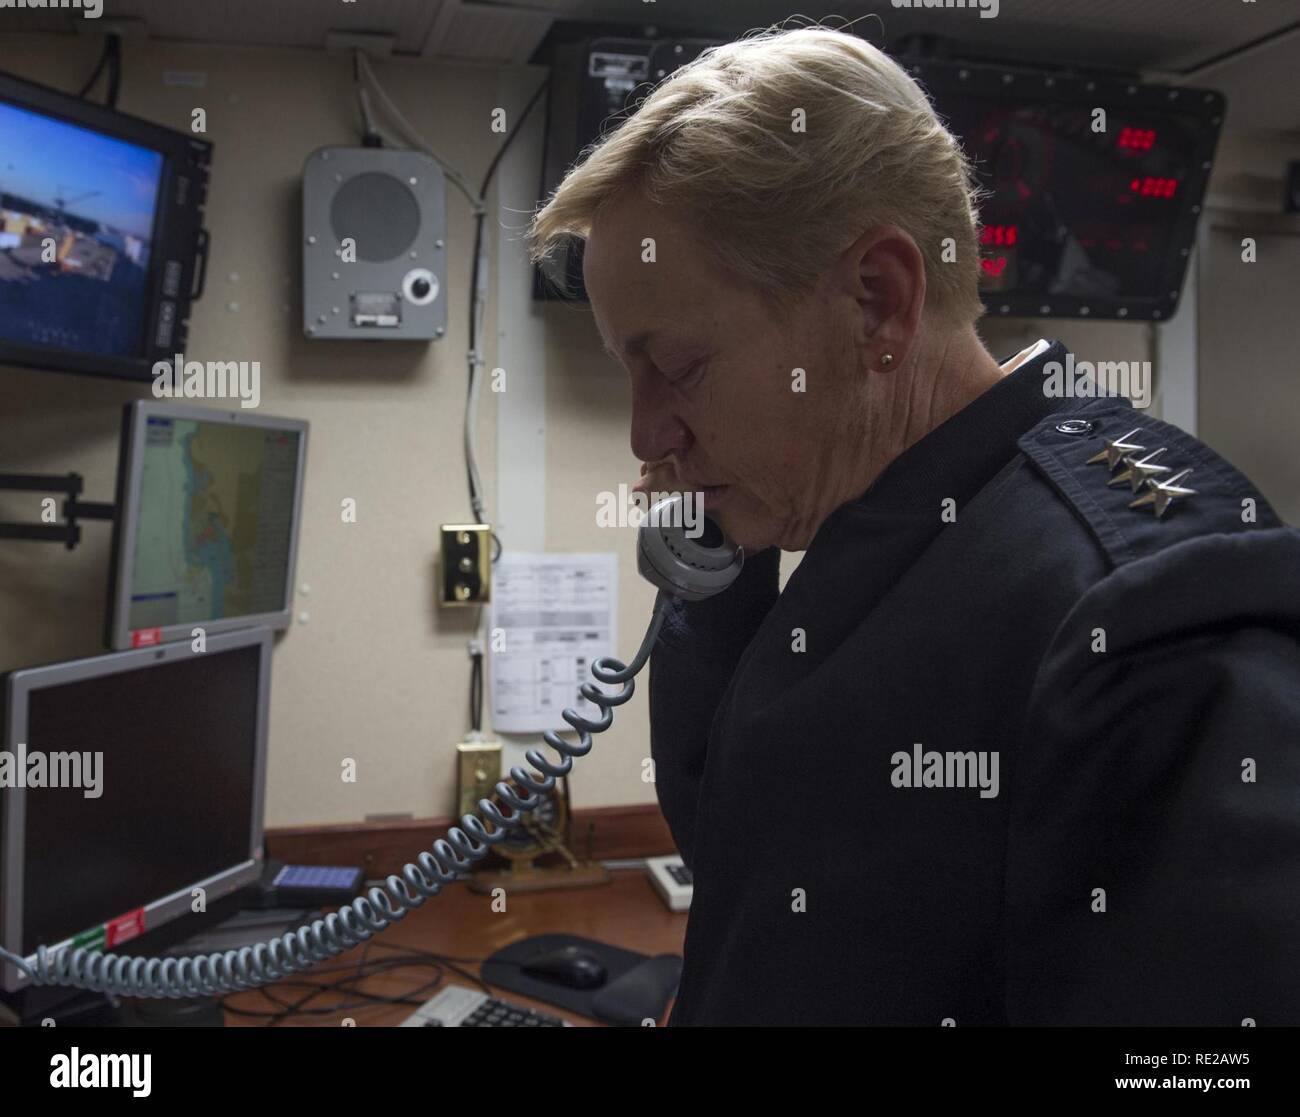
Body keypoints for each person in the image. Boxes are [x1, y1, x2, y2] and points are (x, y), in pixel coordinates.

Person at [526, 25, 1300, 1025]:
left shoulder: (1139, 611)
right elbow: (766, 884)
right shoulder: (856, 537)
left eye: (676, 368)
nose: (643, 434)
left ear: (875, 300)